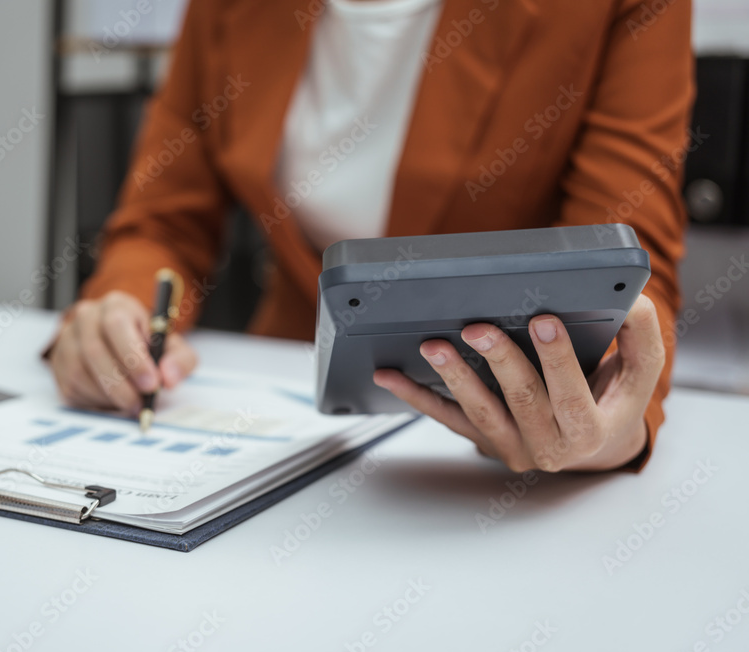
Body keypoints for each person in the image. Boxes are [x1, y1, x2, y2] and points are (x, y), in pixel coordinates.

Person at [47, 0, 693, 473]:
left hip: (496, 427)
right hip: (284, 412)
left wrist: (612, 423)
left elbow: (627, 261)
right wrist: (123, 310)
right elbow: (162, 222)